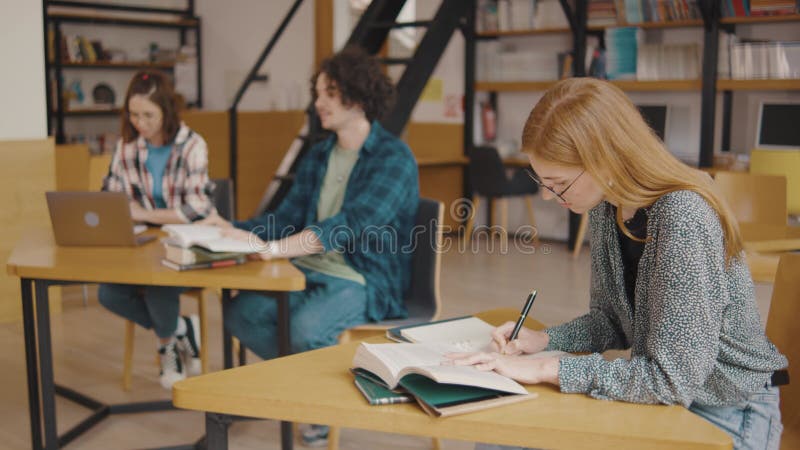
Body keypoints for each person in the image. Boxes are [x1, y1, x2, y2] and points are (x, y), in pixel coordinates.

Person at [447, 78, 788, 450]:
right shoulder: (606, 206)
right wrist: (545, 340)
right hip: (666, 402)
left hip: (723, 415)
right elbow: (612, 321)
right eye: (541, 180)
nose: (547, 195)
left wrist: (548, 367)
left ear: (604, 161)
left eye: (557, 182)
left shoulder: (683, 217)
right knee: (503, 435)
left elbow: (671, 381)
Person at [200, 46, 419, 446]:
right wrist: (231, 229)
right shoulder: (319, 155)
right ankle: (307, 391)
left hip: (362, 278)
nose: (318, 103)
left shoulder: (394, 158)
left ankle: (312, 407)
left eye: (329, 93)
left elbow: (349, 225)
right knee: (240, 314)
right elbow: (283, 219)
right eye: (318, 93)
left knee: (304, 329)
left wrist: (276, 250)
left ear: (357, 95)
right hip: (308, 267)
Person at [99, 70, 216, 389]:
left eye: (149, 115)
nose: (141, 122)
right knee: (108, 293)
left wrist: (145, 214)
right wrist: (121, 208)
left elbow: (197, 208)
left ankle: (167, 348)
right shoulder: (127, 147)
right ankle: (180, 329)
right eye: (134, 114)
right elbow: (111, 192)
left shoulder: (192, 145)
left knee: (158, 282)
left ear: (167, 110)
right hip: (143, 242)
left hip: (187, 244)